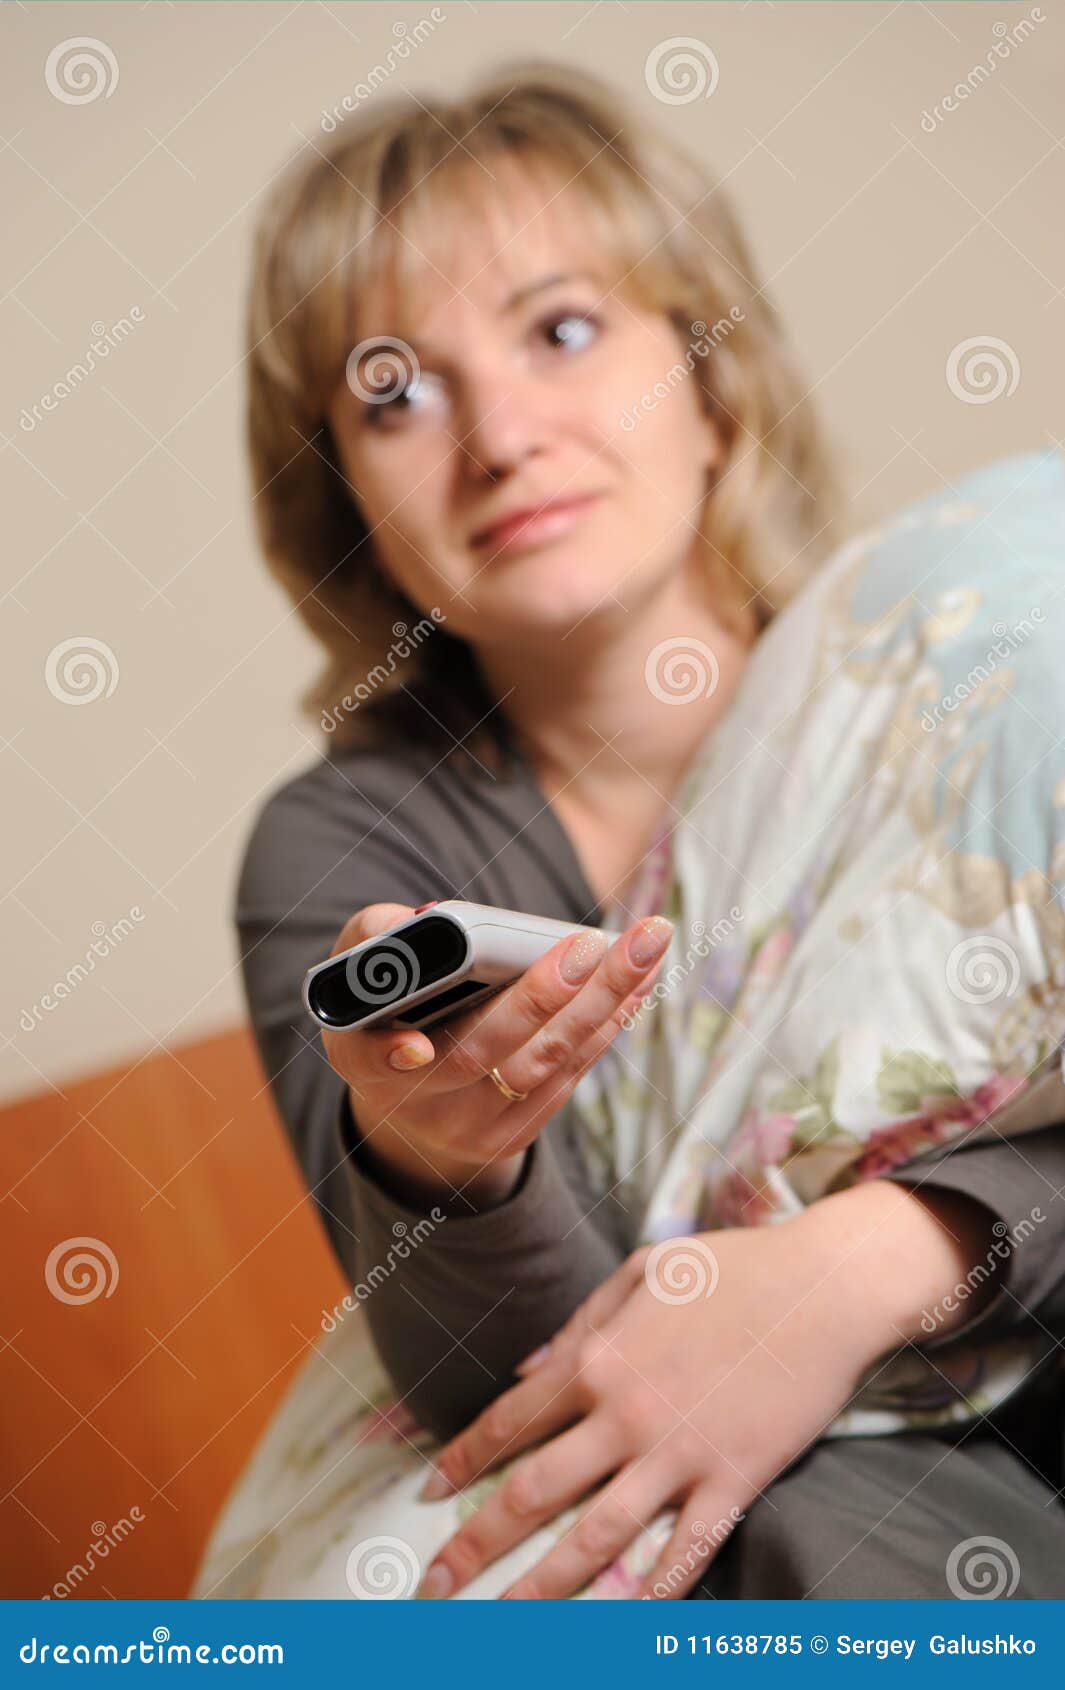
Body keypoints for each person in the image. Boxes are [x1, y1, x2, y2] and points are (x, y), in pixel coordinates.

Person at [194, 61, 1065, 1600]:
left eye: (562, 329)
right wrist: (435, 1164)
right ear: (347, 506)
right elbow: (512, 1384)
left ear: (712, 383)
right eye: (394, 390)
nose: (499, 433)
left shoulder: (960, 677)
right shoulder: (342, 845)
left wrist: (864, 1261)